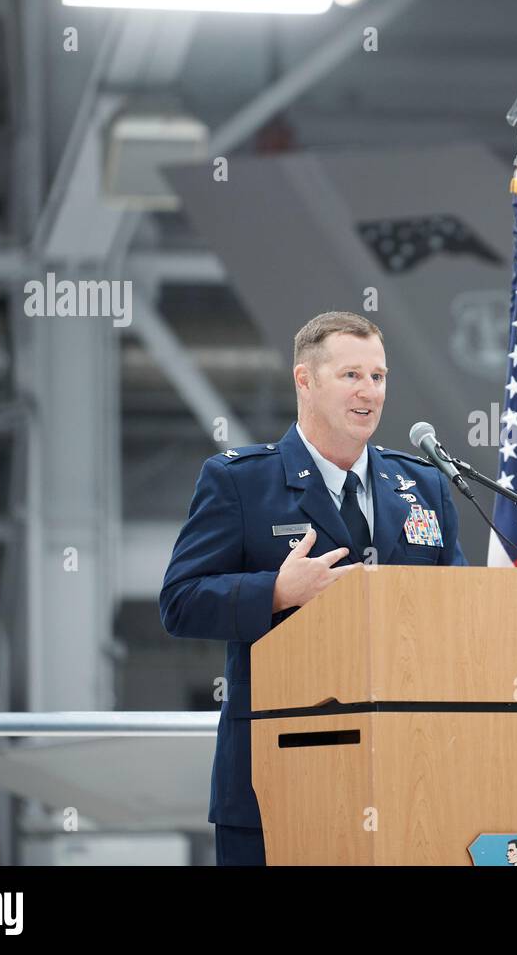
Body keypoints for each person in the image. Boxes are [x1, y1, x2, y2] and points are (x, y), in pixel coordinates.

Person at [159, 311, 466, 865]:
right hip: (278, 775)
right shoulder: (241, 481)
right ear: (305, 380)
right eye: (351, 375)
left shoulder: (423, 485)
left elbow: (462, 610)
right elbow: (179, 602)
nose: (369, 392)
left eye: (379, 377)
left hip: (408, 777)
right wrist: (275, 592)